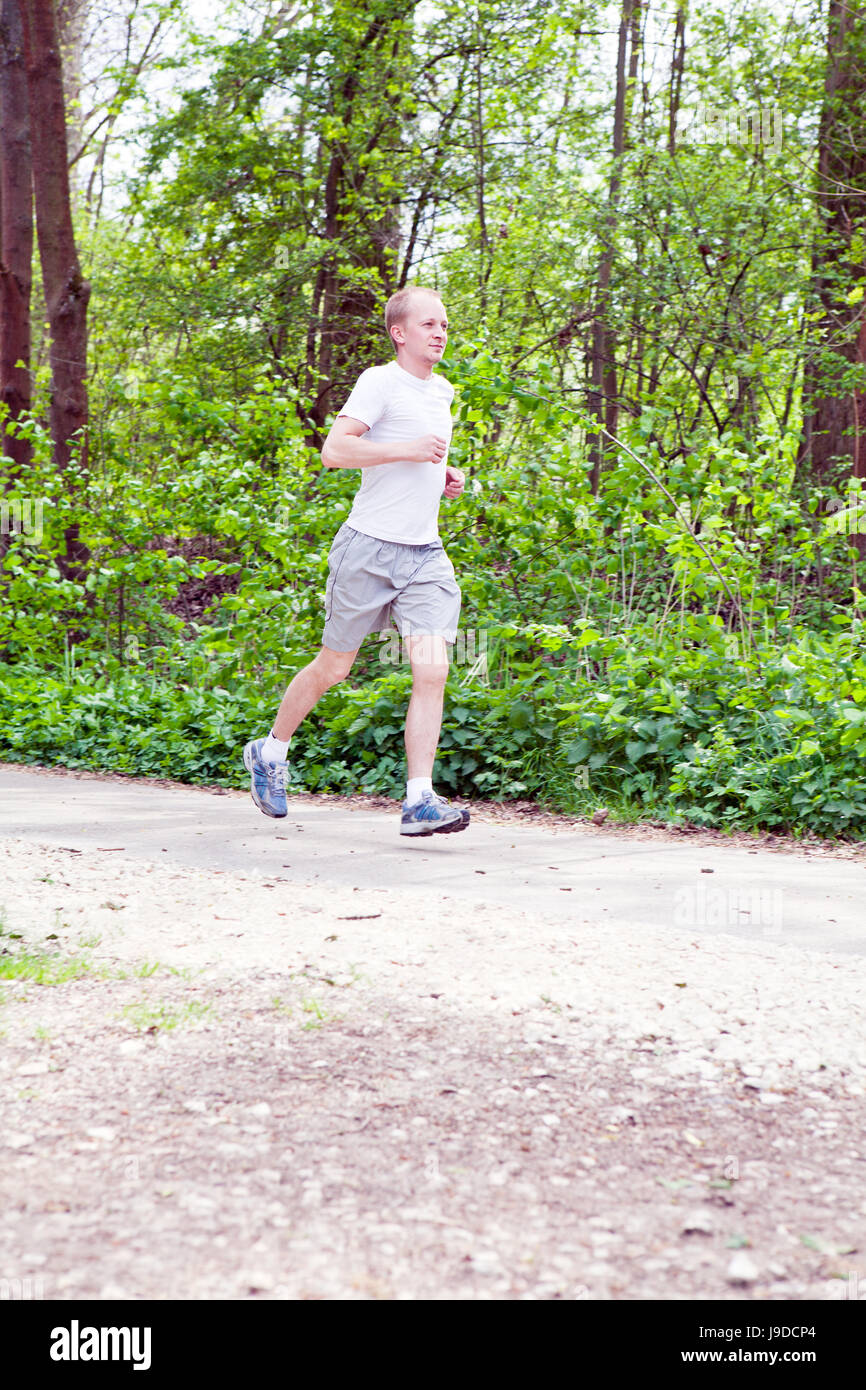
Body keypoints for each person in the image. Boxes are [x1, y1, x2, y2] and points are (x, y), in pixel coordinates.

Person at [243, 285, 470, 837]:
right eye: (428, 325)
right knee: (335, 667)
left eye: (444, 325)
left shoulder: (443, 391)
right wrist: (409, 451)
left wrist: (445, 477)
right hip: (368, 547)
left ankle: (419, 800)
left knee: (432, 669)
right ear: (399, 333)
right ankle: (270, 750)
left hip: (425, 554)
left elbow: (422, 455)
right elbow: (336, 451)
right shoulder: (378, 382)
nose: (440, 333)